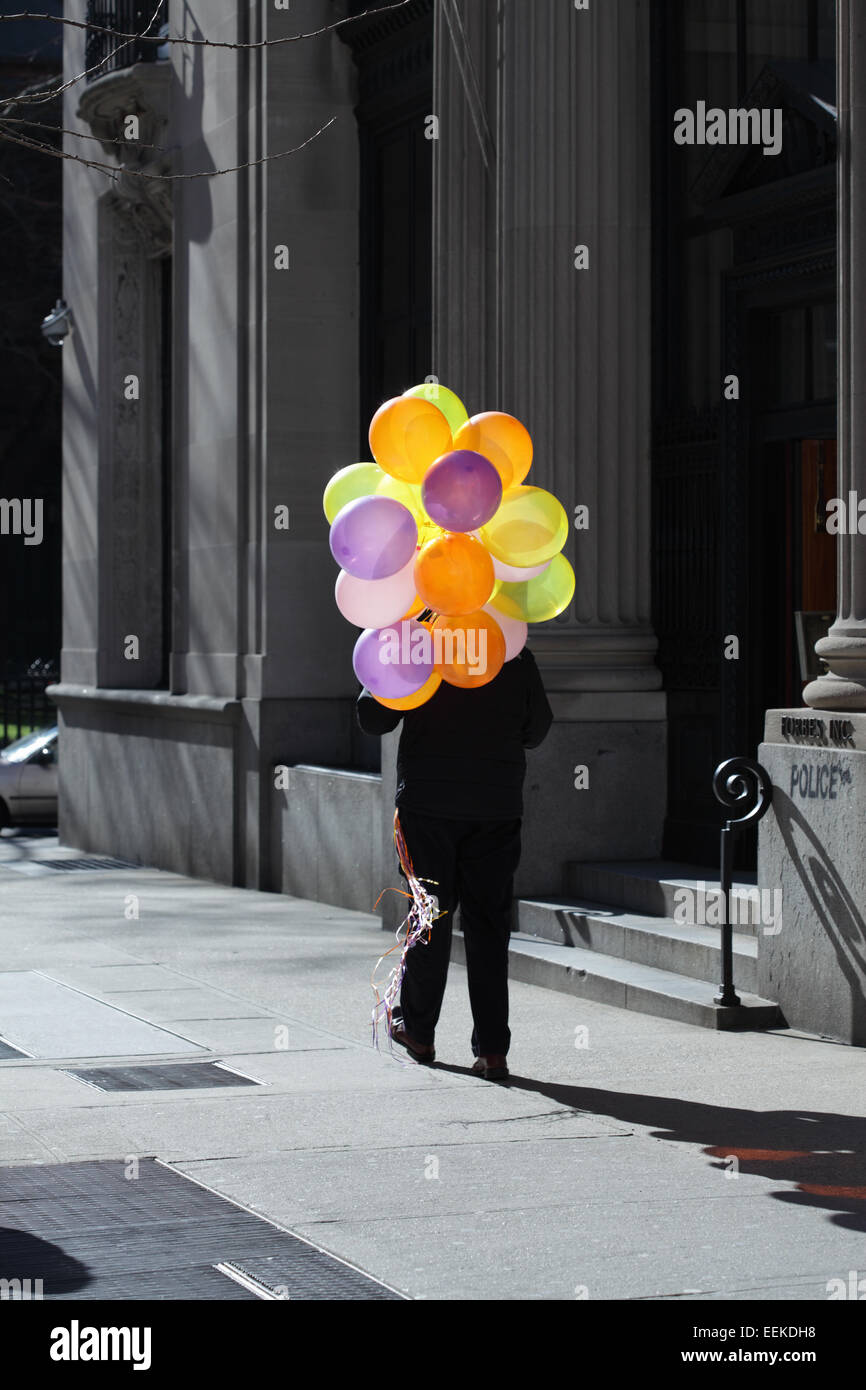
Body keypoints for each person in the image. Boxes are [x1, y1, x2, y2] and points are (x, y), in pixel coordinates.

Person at [357, 645, 553, 1081]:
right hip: (495, 805)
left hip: (429, 804)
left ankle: (420, 1030)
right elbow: (537, 728)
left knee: (429, 918)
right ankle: (492, 1050)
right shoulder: (510, 645)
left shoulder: (417, 639)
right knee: (489, 926)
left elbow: (373, 718)